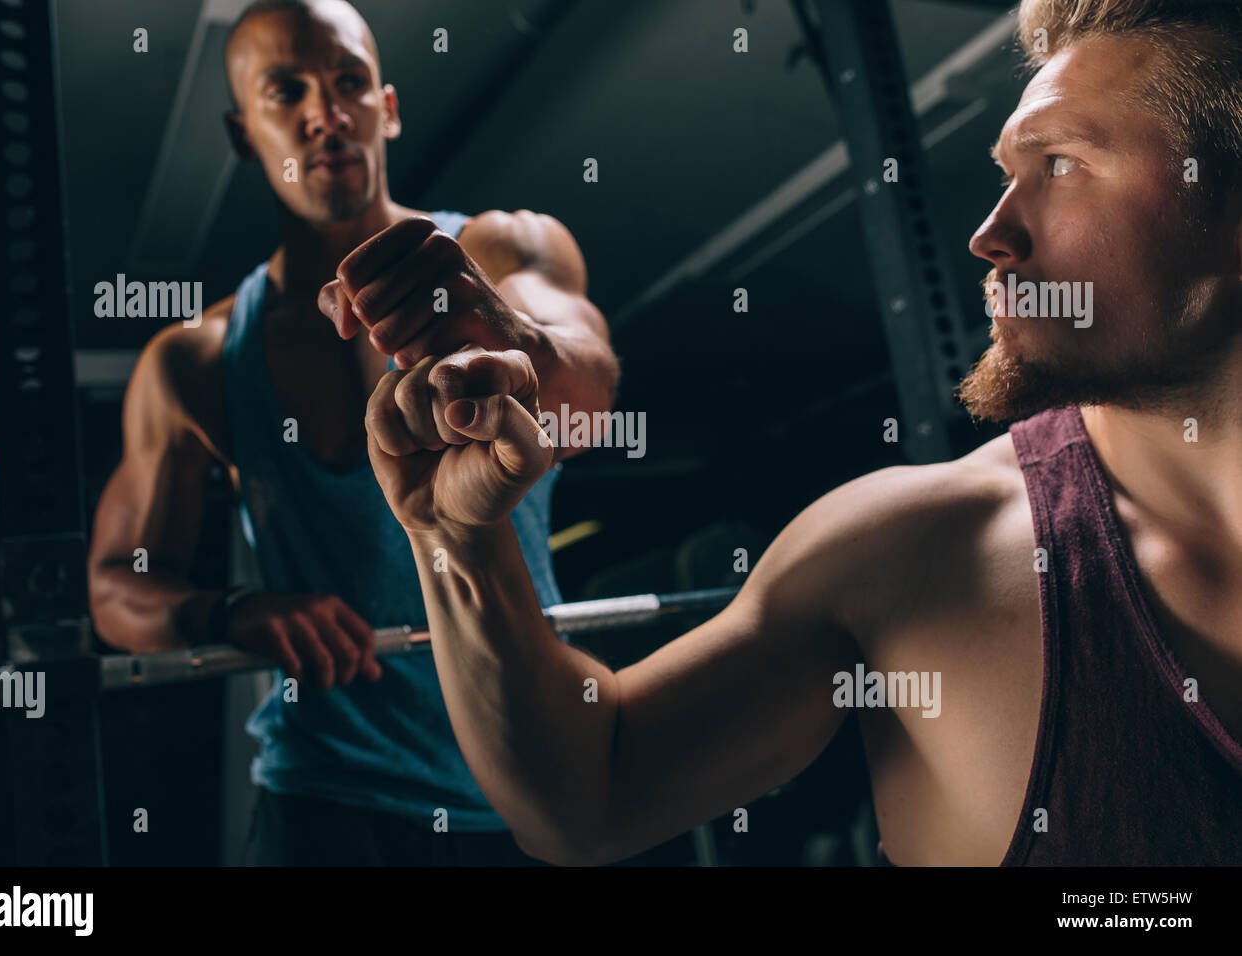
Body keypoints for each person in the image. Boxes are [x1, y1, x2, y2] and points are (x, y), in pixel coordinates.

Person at [360, 0, 1242, 865]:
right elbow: (589, 796)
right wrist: (459, 541)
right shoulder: (919, 550)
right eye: (1005, 173)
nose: (990, 234)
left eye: (1060, 165)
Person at [86, 0, 618, 866]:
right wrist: (230, 611)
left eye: (348, 84)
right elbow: (116, 585)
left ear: (388, 107)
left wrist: (508, 336)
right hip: (326, 805)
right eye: (285, 90)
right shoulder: (197, 360)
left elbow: (589, 401)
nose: (325, 114)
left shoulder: (506, 252)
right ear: (242, 129)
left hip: (533, 780)